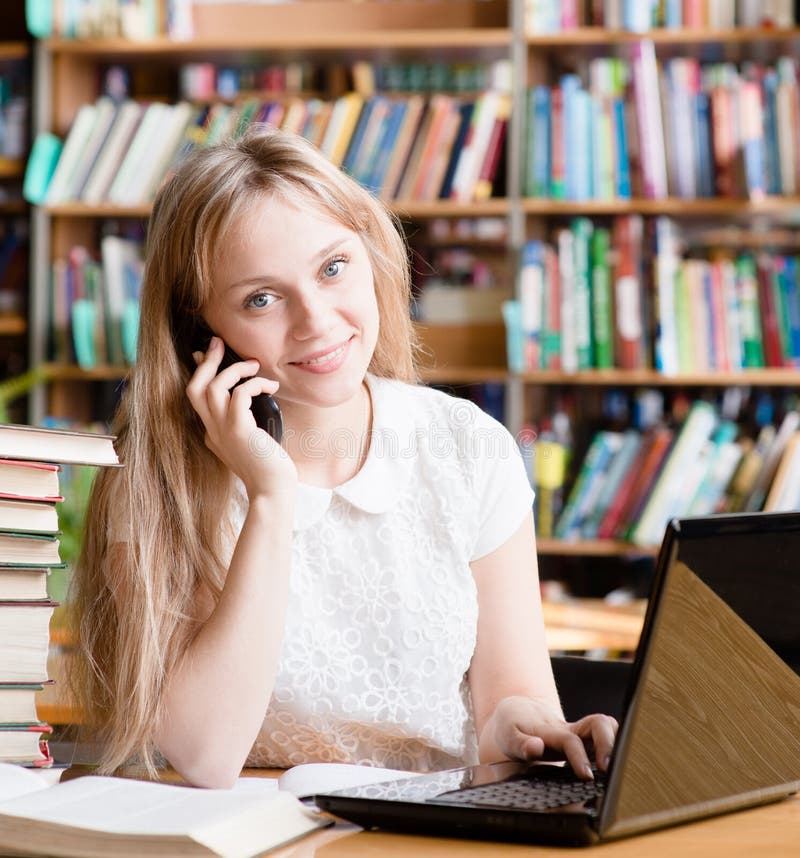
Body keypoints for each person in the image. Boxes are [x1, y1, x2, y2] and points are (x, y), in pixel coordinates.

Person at [73, 126, 617, 788]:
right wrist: (270, 497)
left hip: (423, 831)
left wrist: (535, 730)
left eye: (333, 268)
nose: (316, 321)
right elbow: (206, 754)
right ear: (202, 327)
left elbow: (511, 700)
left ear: (372, 253)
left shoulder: (467, 447)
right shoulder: (160, 476)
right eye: (261, 298)